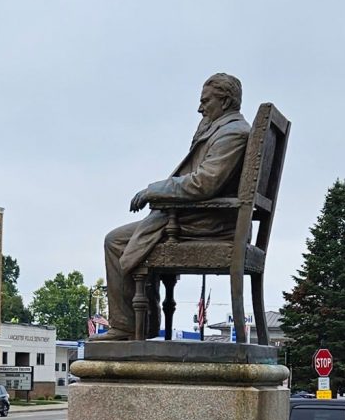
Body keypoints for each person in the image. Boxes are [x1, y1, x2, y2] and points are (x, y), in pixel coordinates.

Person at [95, 73, 251, 340]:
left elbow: (204, 183)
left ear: (225, 101)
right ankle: (141, 324)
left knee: (115, 241)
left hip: (207, 222)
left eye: (206, 101)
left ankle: (127, 327)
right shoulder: (221, 128)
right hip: (200, 216)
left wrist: (154, 191)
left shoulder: (232, 132)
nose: (200, 108)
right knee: (124, 238)